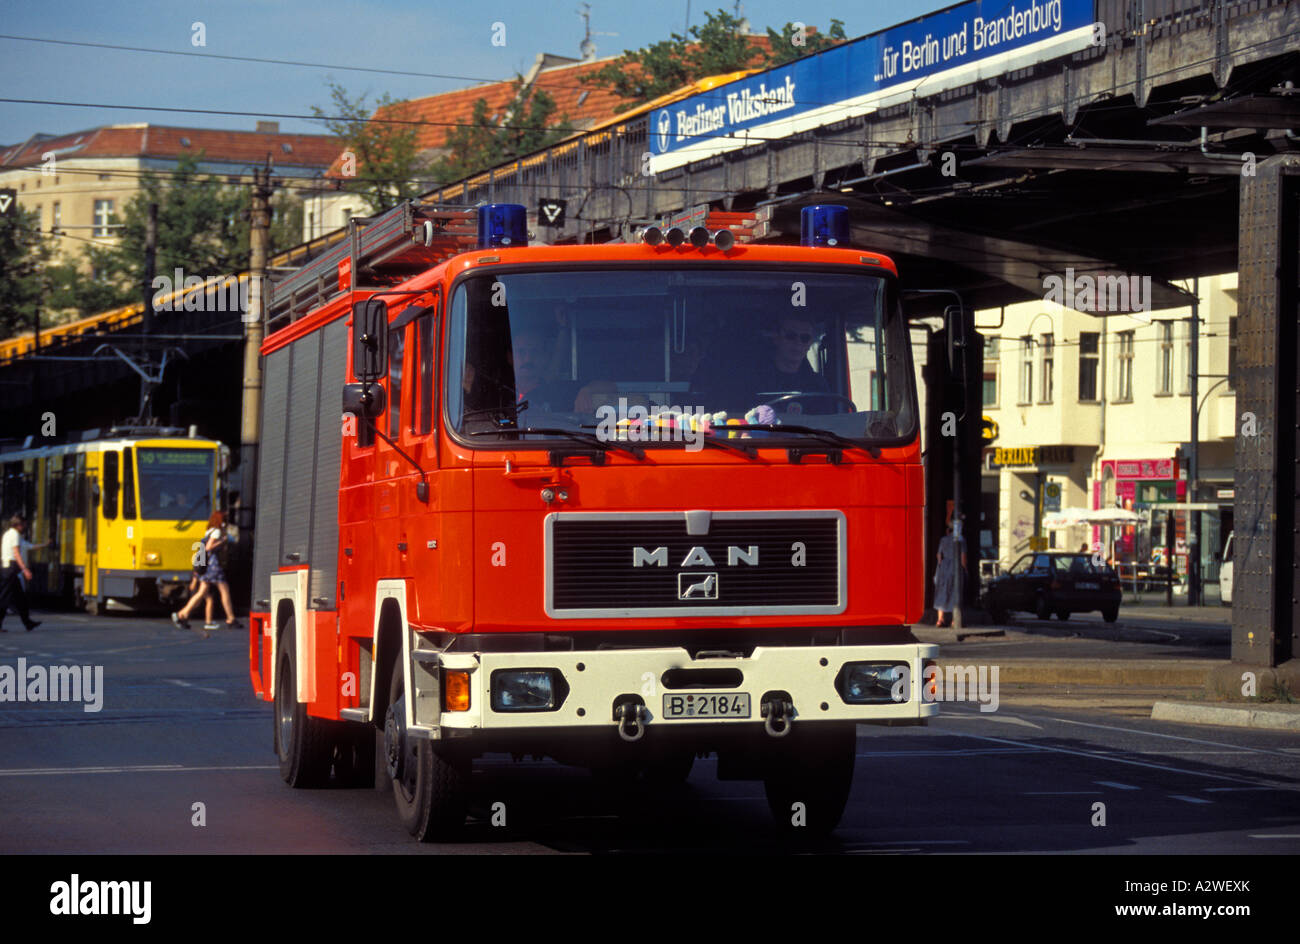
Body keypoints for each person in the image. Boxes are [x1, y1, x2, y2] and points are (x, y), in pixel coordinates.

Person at [172, 512, 240, 636]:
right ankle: (231, 618)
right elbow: (209, 547)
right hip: (213, 566)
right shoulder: (217, 532)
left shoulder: (209, 531)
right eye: (224, 520)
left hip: (206, 565)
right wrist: (222, 541)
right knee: (224, 590)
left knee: (202, 592)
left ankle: (182, 614)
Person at [0, 515, 46, 632]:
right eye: (24, 524)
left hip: (8, 569)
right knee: (4, 598)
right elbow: (16, 553)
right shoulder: (15, 535)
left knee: (20, 598)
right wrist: (25, 569)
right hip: (10, 569)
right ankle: (26, 622)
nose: (25, 526)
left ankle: (28, 622)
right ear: (19, 525)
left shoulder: (7, 534)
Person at [933, 524, 967, 627]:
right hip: (955, 566)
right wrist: (965, 569)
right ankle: (954, 620)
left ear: (948, 530)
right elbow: (963, 557)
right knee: (955, 592)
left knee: (942, 592)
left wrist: (940, 565)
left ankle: (940, 619)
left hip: (944, 567)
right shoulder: (961, 540)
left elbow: (939, 555)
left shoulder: (943, 539)